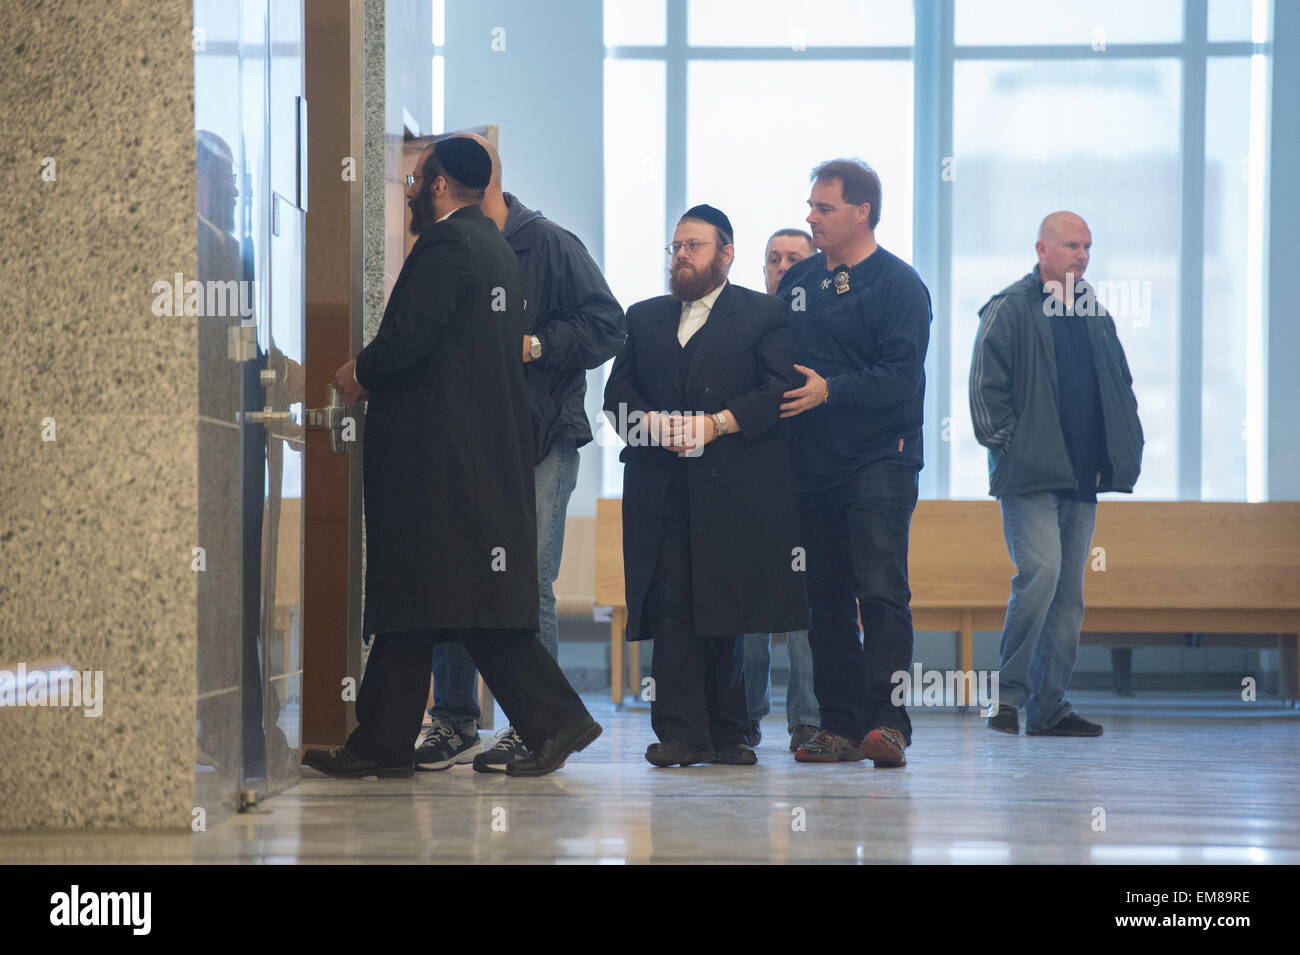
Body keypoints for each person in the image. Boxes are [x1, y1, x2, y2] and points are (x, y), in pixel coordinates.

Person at [302, 137, 600, 778]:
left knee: (472, 605)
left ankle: (557, 722)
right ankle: (380, 742)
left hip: (439, 467)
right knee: (416, 601)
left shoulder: (446, 244)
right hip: (464, 462)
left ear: (438, 185)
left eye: (415, 180)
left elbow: (409, 337)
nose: (409, 190)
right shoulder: (490, 244)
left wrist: (360, 372)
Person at [413, 134, 626, 774]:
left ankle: (534, 728)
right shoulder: (444, 244)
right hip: (467, 448)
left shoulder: (551, 243)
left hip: (540, 443)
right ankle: (454, 722)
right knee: (458, 576)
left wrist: (536, 345)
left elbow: (608, 324)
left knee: (527, 582)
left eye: (427, 177)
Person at [604, 204, 808, 767]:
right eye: (676, 246)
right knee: (672, 604)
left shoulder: (762, 314)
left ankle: (730, 732)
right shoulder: (643, 317)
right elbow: (617, 400)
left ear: (726, 253)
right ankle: (680, 732)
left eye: (693, 245)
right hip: (662, 485)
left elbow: (777, 391)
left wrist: (716, 423)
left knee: (725, 606)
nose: (681, 256)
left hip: (735, 486)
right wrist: (656, 426)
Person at [777, 159, 931, 768]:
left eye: (824, 208)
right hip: (811, 463)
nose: (810, 217)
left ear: (862, 211)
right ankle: (839, 725)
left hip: (881, 461)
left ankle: (887, 723)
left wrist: (831, 391)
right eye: (811, 206)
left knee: (881, 591)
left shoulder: (900, 284)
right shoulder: (801, 282)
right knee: (825, 599)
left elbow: (899, 376)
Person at [969, 211, 1143, 737]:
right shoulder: (1009, 308)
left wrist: (1124, 445)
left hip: (1083, 476)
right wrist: (1015, 447)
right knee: (1039, 577)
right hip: (1030, 476)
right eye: (1071, 246)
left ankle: (1050, 707)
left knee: (1069, 596)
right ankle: (1007, 699)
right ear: (1041, 249)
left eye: (1087, 247)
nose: (1082, 256)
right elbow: (984, 391)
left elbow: (1120, 385)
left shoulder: (1096, 315)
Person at [742, 228, 819, 752]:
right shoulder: (742, 324)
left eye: (794, 258)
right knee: (745, 607)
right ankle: (742, 719)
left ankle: (808, 722)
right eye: (774, 258)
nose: (783, 266)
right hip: (750, 481)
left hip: (813, 481)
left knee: (809, 612)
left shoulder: (824, 327)